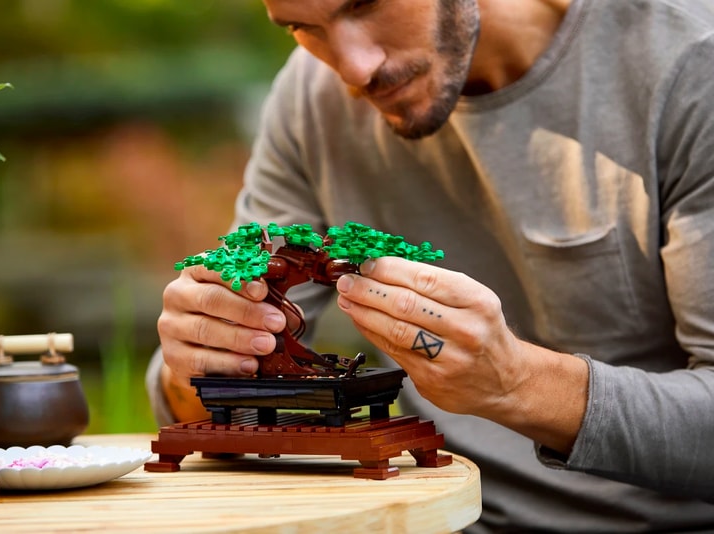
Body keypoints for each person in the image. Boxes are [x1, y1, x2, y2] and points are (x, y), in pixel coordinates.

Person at [147, 0, 714, 531]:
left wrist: (519, 383)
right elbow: (194, 410)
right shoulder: (309, 97)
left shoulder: (689, 63)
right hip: (422, 515)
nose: (353, 69)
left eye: (365, 3)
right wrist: (200, 359)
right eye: (302, 26)